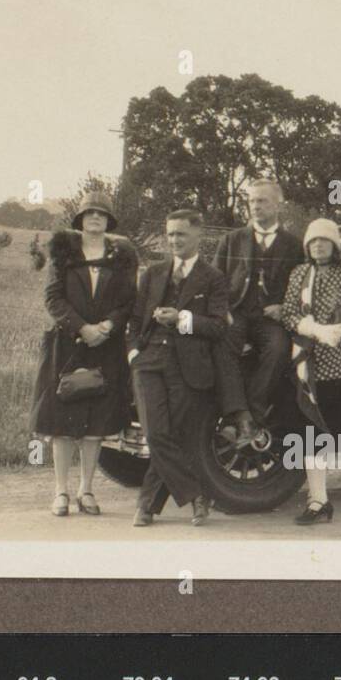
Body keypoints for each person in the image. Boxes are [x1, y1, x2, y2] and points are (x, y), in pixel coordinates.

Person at [30, 192, 137, 516]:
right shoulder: (64, 254)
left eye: (101, 214)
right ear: (80, 220)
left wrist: (106, 326)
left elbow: (128, 301)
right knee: (62, 422)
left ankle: (86, 491)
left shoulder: (120, 257)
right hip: (68, 346)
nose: (95, 218)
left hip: (106, 347)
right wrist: (81, 328)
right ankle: (61, 492)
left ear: (108, 222)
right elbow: (53, 298)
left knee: (96, 422)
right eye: (89, 213)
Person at [129, 209, 228, 527]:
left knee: (173, 434)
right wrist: (132, 352)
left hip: (188, 366)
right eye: (170, 234)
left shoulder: (212, 278)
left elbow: (218, 326)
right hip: (148, 362)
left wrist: (182, 319)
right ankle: (197, 494)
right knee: (156, 433)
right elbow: (133, 319)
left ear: (198, 235)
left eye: (181, 234)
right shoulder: (153, 273)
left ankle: (147, 505)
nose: (174, 240)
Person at [281, 218, 341, 525]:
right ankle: (318, 500)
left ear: (335, 246)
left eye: (324, 241)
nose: (318, 245)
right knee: (311, 429)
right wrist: (314, 329)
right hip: (309, 363)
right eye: (313, 241)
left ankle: (321, 499)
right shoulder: (299, 274)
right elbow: (289, 313)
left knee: (329, 429)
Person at [212, 178, 304, 445]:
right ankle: (239, 415)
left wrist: (286, 307)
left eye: (262, 201)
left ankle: (252, 414)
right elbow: (215, 282)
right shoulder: (231, 240)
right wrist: (222, 312)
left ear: (278, 205)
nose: (255, 206)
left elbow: (303, 287)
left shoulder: (294, 245)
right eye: (251, 201)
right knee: (221, 343)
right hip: (236, 313)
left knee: (278, 348)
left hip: (271, 317)